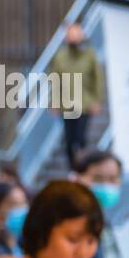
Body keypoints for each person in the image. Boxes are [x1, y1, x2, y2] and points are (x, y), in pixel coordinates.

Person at [46, 22, 107, 169]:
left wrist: (97, 100)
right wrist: (53, 102)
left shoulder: (89, 55)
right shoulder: (61, 56)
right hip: (66, 104)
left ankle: (81, 168)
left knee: (81, 138)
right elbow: (54, 80)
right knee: (69, 139)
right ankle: (73, 168)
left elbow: (97, 78)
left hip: (85, 104)